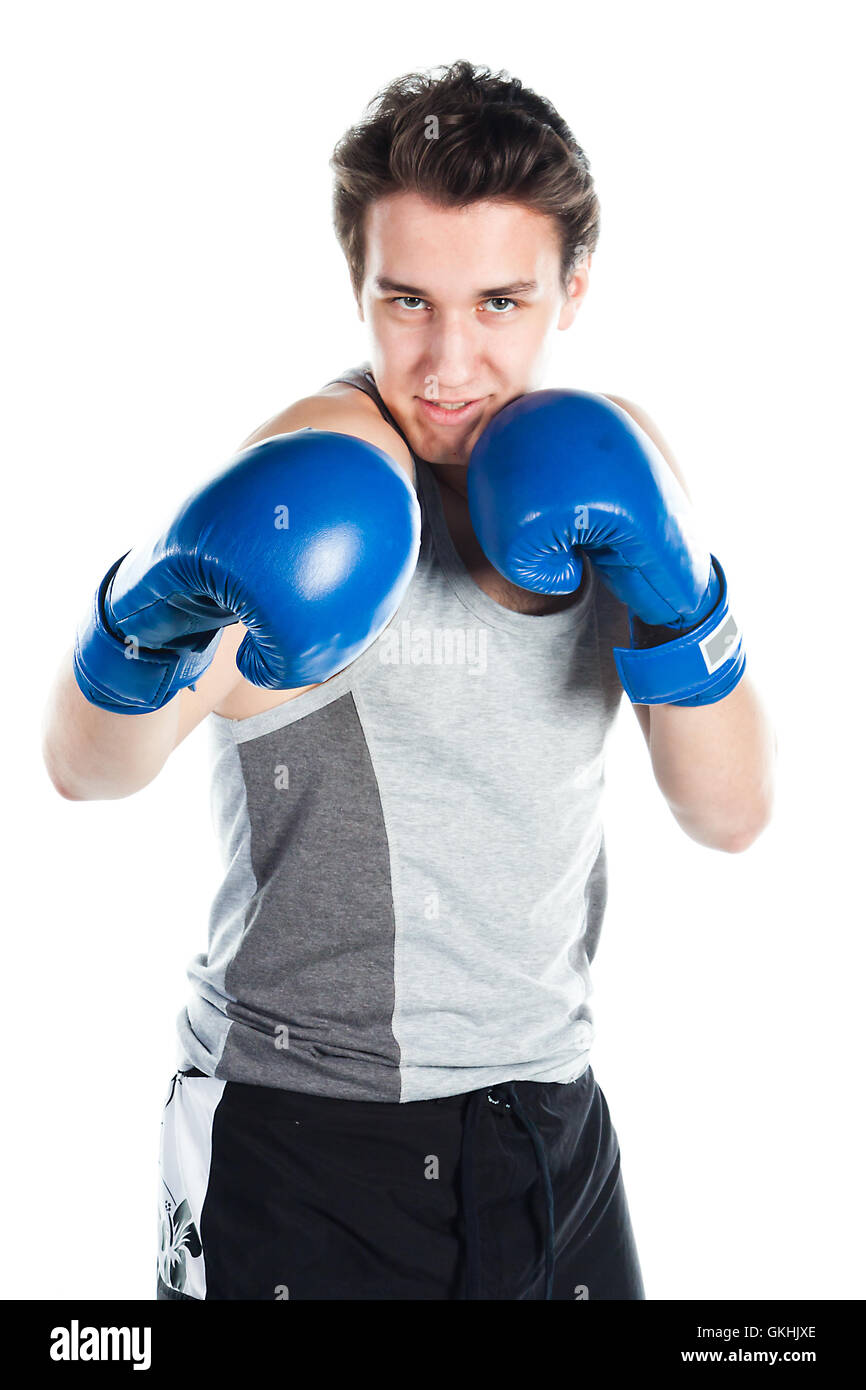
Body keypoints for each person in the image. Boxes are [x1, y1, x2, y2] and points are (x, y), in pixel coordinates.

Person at [41, 59, 776, 1301]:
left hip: (547, 1123)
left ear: (571, 288)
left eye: (499, 301)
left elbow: (729, 814)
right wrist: (143, 612)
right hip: (302, 1139)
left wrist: (677, 591)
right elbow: (84, 767)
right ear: (356, 290)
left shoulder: (615, 470)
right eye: (405, 302)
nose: (446, 361)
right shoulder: (310, 485)